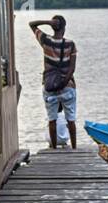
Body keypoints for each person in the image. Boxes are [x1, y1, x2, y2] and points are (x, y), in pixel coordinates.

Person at [30, 14, 77, 149]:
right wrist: (63, 83)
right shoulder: (70, 44)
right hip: (68, 86)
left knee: (52, 119)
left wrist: (47, 22)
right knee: (71, 119)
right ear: (64, 28)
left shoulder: (46, 41)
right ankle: (74, 147)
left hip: (49, 86)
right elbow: (72, 68)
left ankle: (54, 148)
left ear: (53, 27)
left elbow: (32, 24)